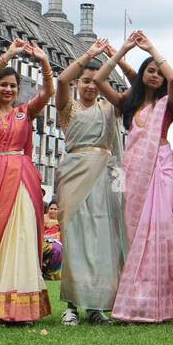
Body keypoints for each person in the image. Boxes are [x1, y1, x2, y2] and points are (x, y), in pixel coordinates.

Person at [93, 30, 173, 324]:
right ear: (141, 74)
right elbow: (98, 81)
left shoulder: (167, 105)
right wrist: (120, 52)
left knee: (160, 229)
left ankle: (159, 305)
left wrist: (151, 48)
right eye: (150, 70)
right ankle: (135, 303)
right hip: (132, 169)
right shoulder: (129, 102)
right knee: (133, 234)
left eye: (158, 71)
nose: (156, 75)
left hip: (161, 168)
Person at [0, 39, 55, 324]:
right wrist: (7, 55)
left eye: (13, 86)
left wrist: (44, 62)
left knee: (21, 233)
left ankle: (22, 305)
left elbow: (48, 92)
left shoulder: (25, 113)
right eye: (3, 85)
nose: (8, 90)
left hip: (21, 178)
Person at [55, 38, 128, 325]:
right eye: (85, 81)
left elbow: (135, 93)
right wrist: (90, 54)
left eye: (96, 82)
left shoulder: (110, 108)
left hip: (103, 178)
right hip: (73, 176)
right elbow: (61, 79)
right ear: (78, 83)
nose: (90, 86)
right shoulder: (68, 108)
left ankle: (97, 307)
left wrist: (118, 55)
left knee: (102, 242)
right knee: (74, 240)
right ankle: (72, 305)